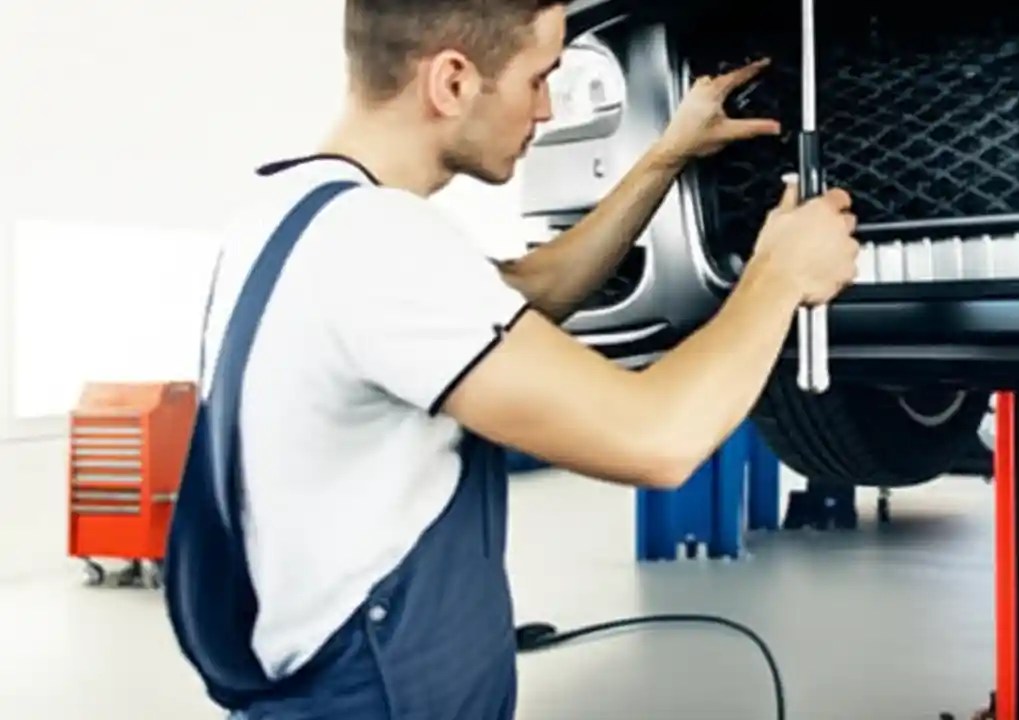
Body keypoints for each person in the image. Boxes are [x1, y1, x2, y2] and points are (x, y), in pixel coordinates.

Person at [170, 0, 859, 718]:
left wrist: (667, 155)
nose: (548, 110)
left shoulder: (295, 207)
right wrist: (780, 278)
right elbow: (658, 439)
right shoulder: (380, 246)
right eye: (538, 78)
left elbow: (529, 292)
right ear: (454, 82)